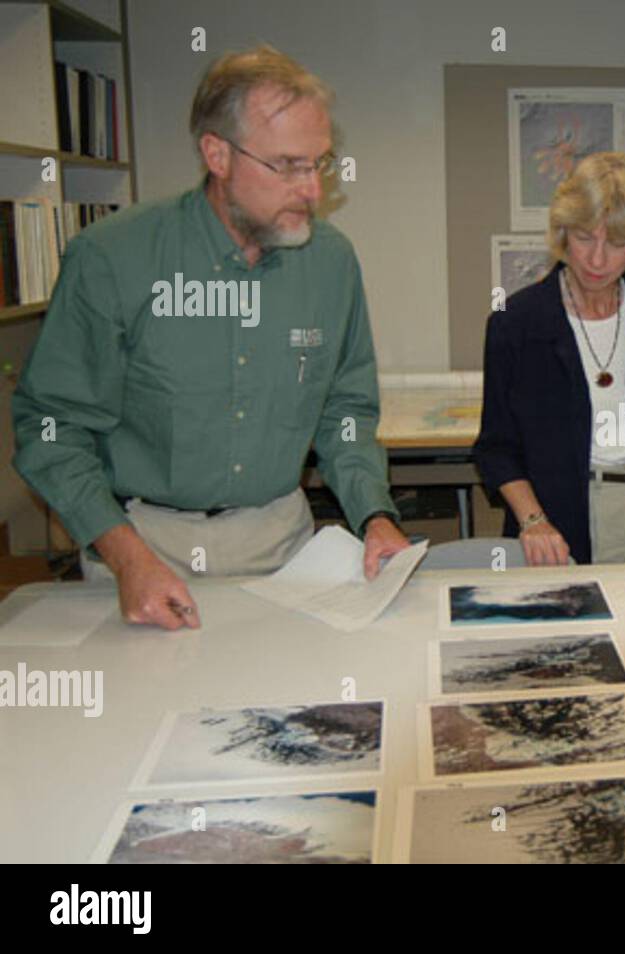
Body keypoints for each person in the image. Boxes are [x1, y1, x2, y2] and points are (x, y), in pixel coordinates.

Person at [12, 46, 409, 631]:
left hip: (285, 548)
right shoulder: (113, 257)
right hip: (146, 547)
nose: (313, 191)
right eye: (287, 166)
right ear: (217, 154)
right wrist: (123, 555)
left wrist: (375, 514)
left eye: (318, 164)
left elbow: (345, 412)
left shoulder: (330, 263)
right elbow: (51, 427)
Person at [474, 152, 625, 566]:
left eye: (615, 243)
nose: (597, 259)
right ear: (561, 232)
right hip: (563, 517)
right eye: (583, 237)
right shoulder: (517, 323)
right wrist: (533, 520)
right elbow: (496, 448)